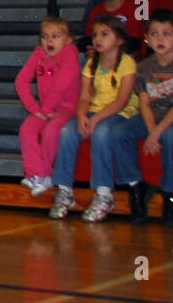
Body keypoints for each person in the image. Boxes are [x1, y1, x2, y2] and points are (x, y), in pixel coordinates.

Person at [49, 16, 137, 222]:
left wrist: (96, 119)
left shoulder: (127, 63)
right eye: (95, 35)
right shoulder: (91, 63)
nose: (98, 39)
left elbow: (122, 101)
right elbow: (85, 96)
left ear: (120, 40)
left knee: (103, 132)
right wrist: (81, 116)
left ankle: (104, 194)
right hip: (95, 111)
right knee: (68, 131)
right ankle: (64, 191)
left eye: (105, 34)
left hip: (120, 113)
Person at [116, 11, 173, 224]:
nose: (160, 39)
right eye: (155, 34)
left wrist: (157, 134)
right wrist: (151, 131)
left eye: (166, 34)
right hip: (150, 118)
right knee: (120, 132)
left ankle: (171, 195)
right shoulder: (144, 67)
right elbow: (144, 103)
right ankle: (136, 187)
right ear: (147, 38)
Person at [15, 17, 82, 198]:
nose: (49, 41)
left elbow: (62, 84)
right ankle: (36, 174)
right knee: (26, 130)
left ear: (68, 40)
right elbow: (21, 81)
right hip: (45, 108)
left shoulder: (70, 54)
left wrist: (46, 110)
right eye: (44, 36)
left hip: (66, 108)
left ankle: (46, 174)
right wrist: (34, 108)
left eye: (55, 36)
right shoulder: (39, 54)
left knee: (51, 131)